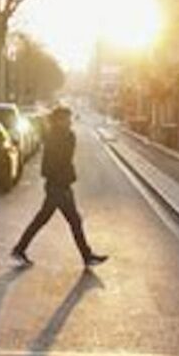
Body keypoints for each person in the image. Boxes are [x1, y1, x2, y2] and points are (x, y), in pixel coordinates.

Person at [11, 104, 108, 268]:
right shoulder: (64, 136)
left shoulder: (55, 135)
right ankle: (87, 256)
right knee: (74, 221)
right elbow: (61, 160)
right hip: (59, 186)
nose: (70, 121)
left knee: (43, 219)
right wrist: (61, 183)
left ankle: (19, 249)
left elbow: (56, 161)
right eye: (67, 118)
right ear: (60, 120)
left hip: (57, 184)